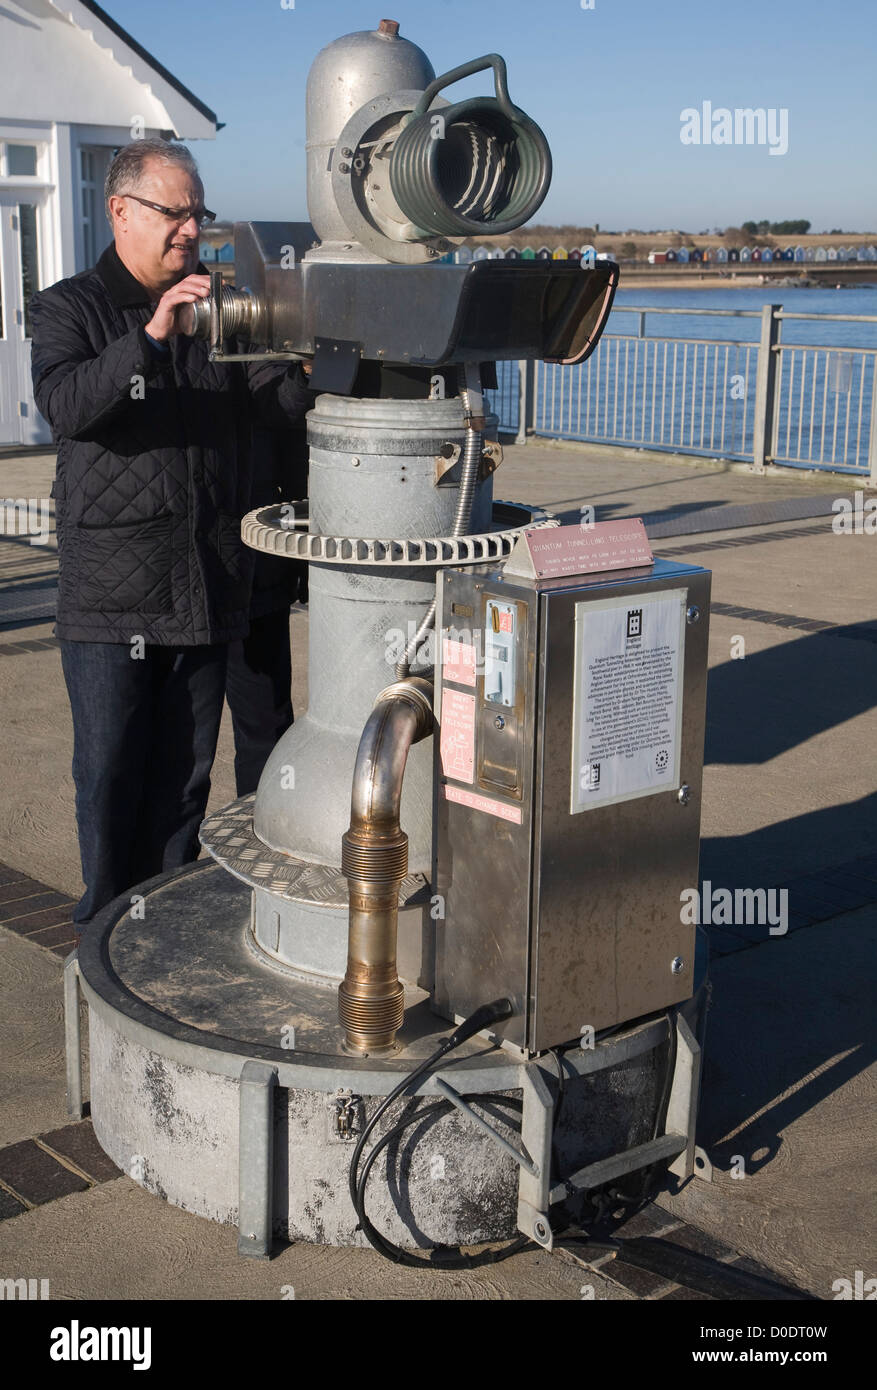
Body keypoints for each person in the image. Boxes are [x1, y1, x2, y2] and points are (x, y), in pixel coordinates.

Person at [30, 138, 313, 929]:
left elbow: (270, 405)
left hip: (204, 584)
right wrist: (151, 338)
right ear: (121, 211)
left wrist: (315, 365)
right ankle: (104, 936)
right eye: (174, 212)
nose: (191, 229)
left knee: (186, 779)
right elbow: (69, 406)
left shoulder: (216, 307)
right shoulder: (68, 306)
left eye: (199, 213)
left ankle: (160, 926)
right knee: (112, 770)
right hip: (112, 591)